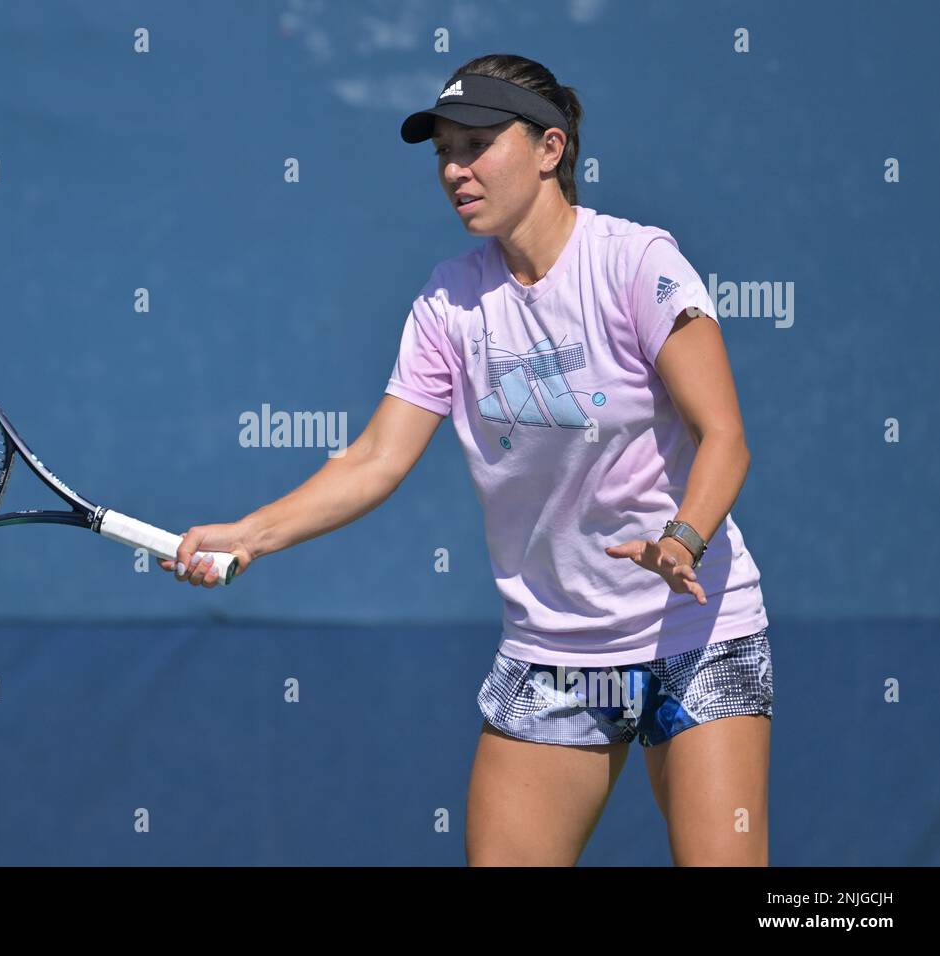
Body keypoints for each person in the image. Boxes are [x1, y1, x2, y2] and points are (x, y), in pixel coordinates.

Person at [159, 53, 771, 867]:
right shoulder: (447, 304)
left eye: (478, 144)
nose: (455, 169)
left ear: (550, 149)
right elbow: (376, 458)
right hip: (552, 651)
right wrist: (251, 534)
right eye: (444, 150)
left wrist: (683, 538)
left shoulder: (636, 262)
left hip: (696, 630)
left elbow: (725, 435)